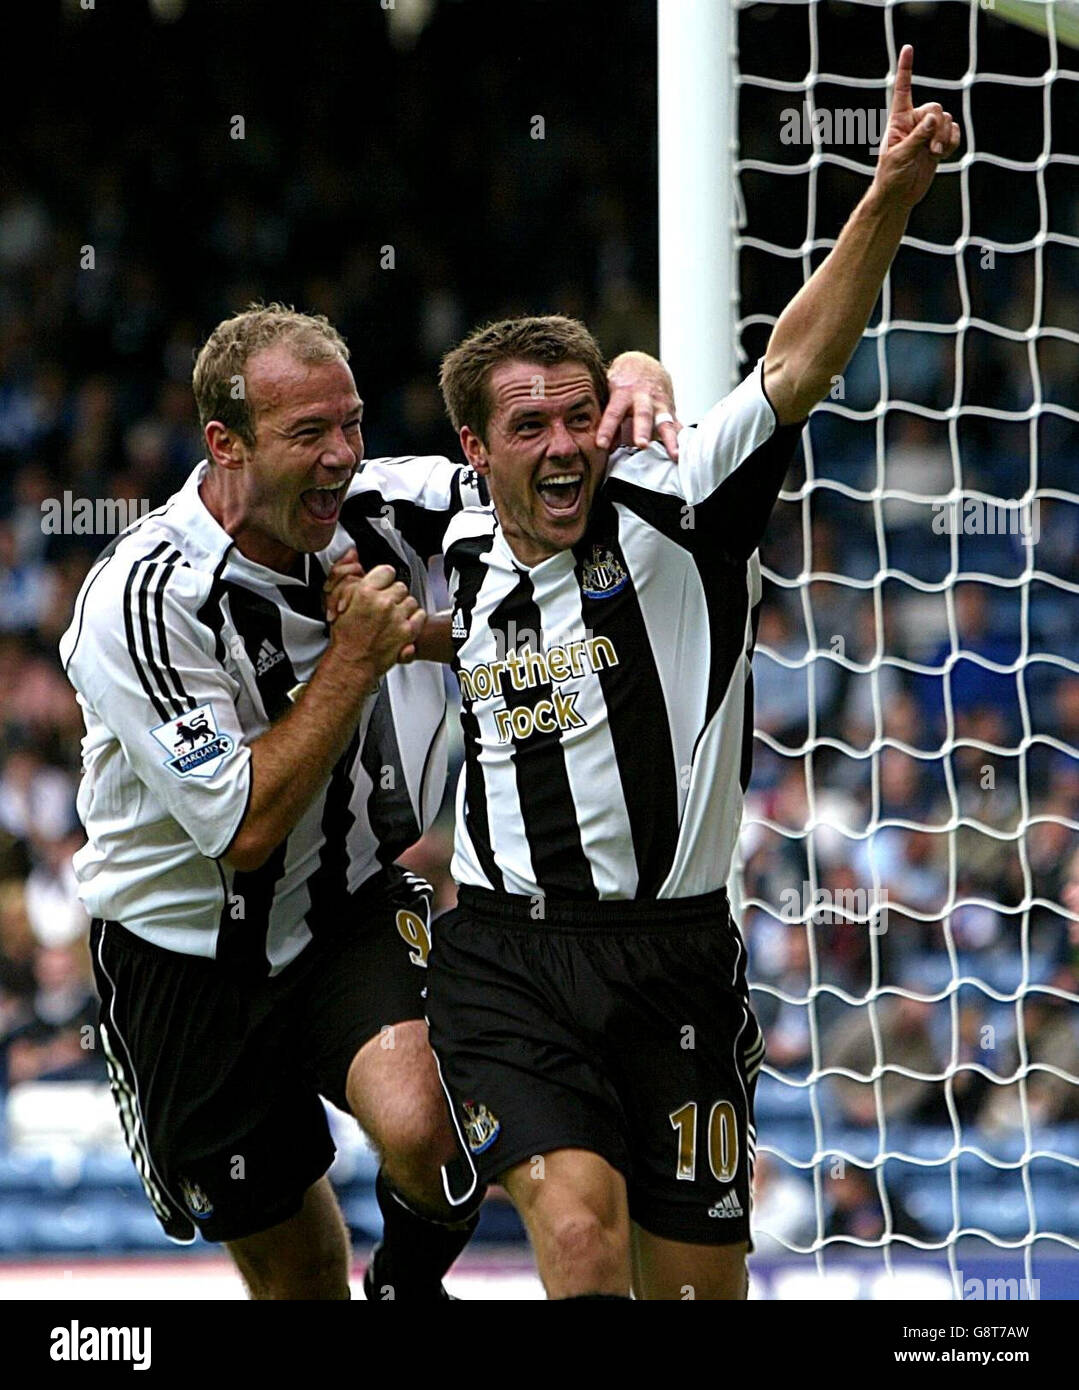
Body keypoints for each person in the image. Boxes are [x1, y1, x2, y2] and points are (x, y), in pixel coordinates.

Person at [382, 46, 960, 1299]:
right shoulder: (429, 517)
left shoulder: (685, 500)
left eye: (575, 417)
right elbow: (284, 493)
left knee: (697, 1289)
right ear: (473, 447)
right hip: (506, 954)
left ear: (607, 419)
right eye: (522, 426)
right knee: (579, 1240)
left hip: (675, 957)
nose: (557, 446)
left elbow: (794, 366)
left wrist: (887, 199)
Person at [59, 303, 674, 1300]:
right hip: (185, 958)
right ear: (225, 443)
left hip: (345, 904)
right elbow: (246, 828)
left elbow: (550, 465)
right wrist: (353, 658)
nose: (344, 455)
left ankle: (405, 1286)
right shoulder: (142, 600)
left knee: (434, 1127)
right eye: (309, 433)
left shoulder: (391, 504)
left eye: (350, 423)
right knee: (298, 1274)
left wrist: (632, 380)